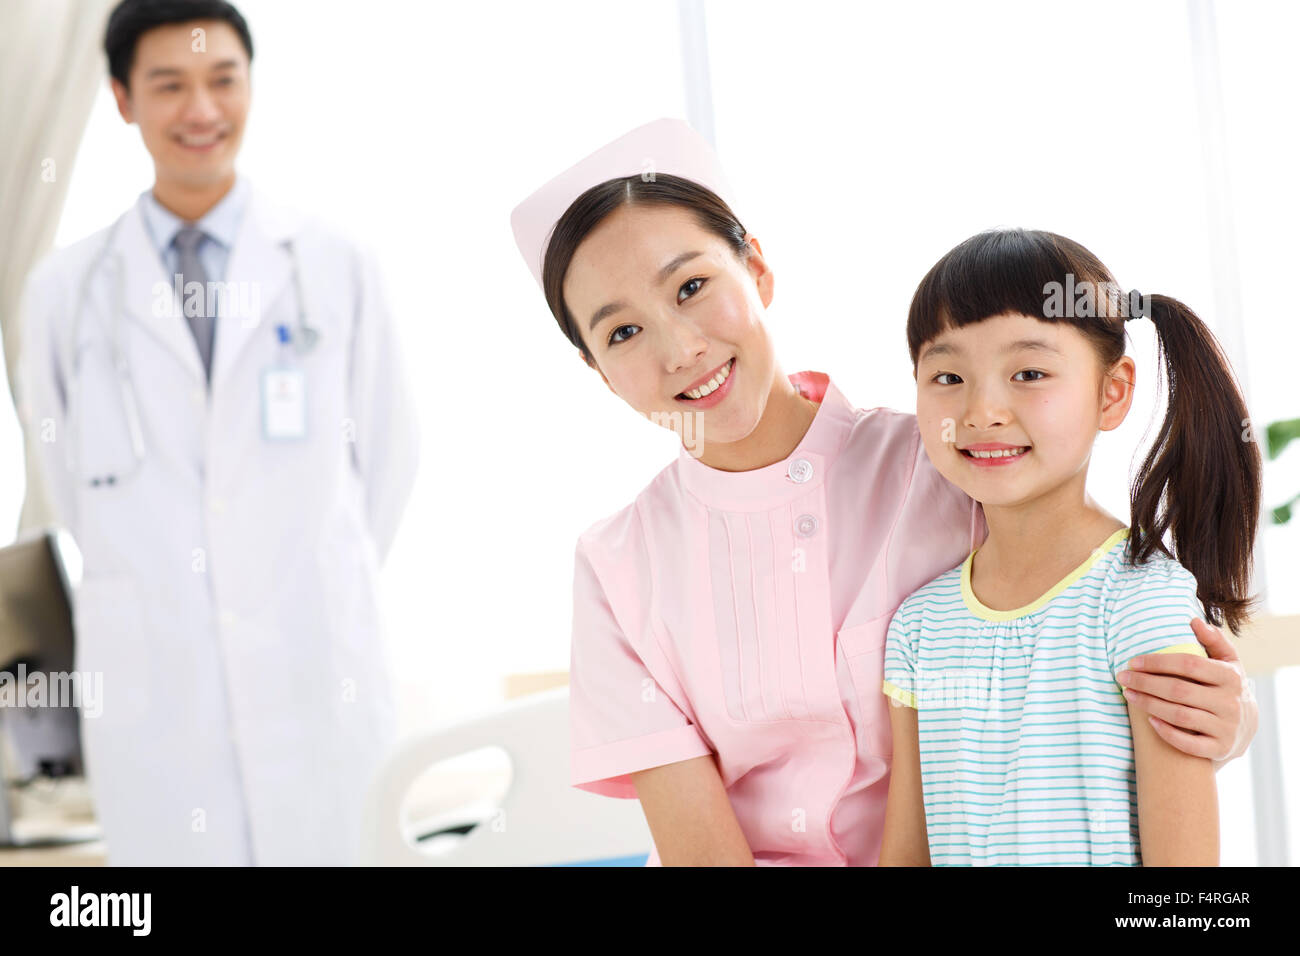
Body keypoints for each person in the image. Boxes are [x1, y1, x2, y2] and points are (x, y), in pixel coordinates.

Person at [509, 119, 1257, 866]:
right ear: (599, 372)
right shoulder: (615, 567)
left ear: (758, 270)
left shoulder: (951, 458)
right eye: (622, 334)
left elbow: (1084, 621)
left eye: (693, 286)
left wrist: (1220, 715)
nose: (679, 349)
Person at [15, 0, 419, 865]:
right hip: (159, 698)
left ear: (249, 87)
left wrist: (303, 573)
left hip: (316, 670)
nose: (201, 109)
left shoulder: (333, 263)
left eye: (222, 80)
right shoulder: (64, 291)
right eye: (169, 85)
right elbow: (68, 474)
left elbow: (388, 456)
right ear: (123, 99)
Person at [879, 229, 1260, 865]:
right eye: (948, 375)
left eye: (1029, 372)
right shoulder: (917, 629)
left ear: (1112, 392)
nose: (982, 410)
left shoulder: (1139, 600)